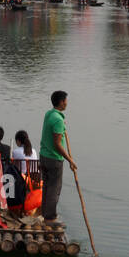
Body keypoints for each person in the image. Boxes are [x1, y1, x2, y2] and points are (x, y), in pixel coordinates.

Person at [39, 90, 75, 224]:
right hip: (54, 159)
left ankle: (45, 214)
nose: (67, 103)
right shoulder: (58, 119)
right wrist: (70, 160)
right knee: (54, 188)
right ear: (61, 102)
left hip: (43, 156)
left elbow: (53, 129)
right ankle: (50, 217)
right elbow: (57, 144)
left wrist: (62, 126)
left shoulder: (49, 114)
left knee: (47, 186)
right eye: (65, 100)